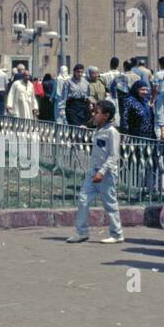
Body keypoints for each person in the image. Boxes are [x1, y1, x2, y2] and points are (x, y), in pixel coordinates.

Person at [67, 99, 124, 244]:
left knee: (110, 204)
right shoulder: (98, 129)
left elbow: (114, 155)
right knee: (83, 199)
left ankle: (117, 234)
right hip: (94, 171)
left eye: (97, 112)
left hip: (107, 174)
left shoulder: (112, 132)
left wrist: (102, 172)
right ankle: (82, 232)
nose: (94, 114)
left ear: (106, 115)